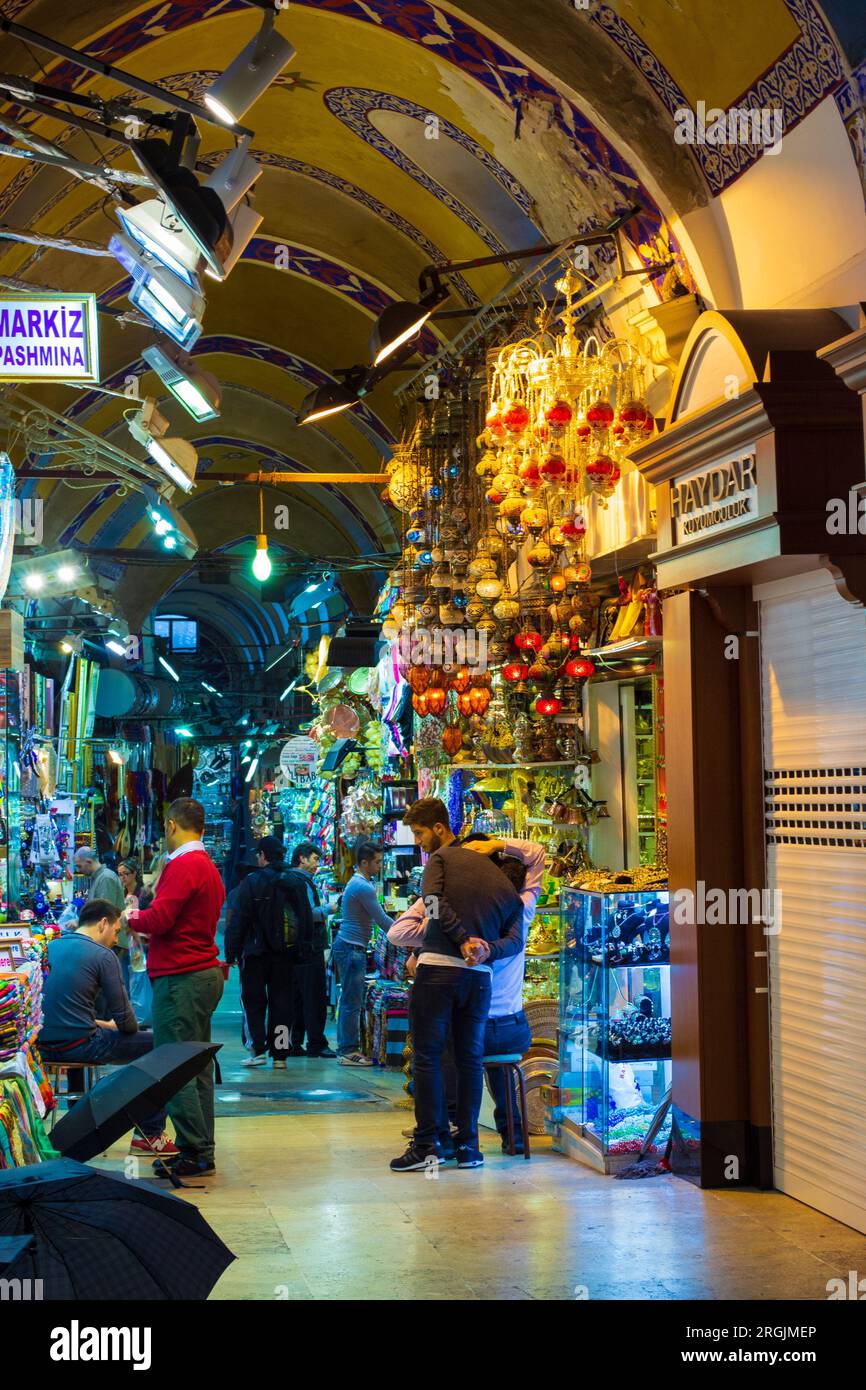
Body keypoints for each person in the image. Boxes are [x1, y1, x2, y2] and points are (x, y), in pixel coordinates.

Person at [388, 833, 545, 1155]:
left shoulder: (454, 897)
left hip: (470, 1015)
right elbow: (538, 853)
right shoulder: (521, 905)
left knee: (435, 1053)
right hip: (513, 1026)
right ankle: (504, 1140)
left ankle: (440, 1134)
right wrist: (497, 846)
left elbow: (397, 932)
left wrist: (439, 923)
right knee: (467, 1058)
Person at [125, 797, 226, 1179]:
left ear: (170, 826)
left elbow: (161, 918)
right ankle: (200, 1148)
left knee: (174, 1067)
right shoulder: (207, 867)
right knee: (194, 1066)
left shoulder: (183, 865)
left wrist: (132, 917)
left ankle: (195, 1151)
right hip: (200, 972)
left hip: (182, 978)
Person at [38, 898, 176, 1156]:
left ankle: (76, 1123)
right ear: (103, 924)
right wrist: (115, 1024)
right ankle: (151, 1133)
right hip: (82, 1046)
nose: (116, 939)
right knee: (162, 1045)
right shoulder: (103, 955)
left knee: (86, 1031)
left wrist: (101, 1023)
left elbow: (61, 1009)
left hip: (43, 1048)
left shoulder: (50, 946)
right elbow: (126, 1022)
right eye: (115, 932)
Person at [224, 836, 314, 1070]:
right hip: (286, 954)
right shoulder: (295, 881)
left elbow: (239, 920)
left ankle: (257, 1050)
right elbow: (306, 918)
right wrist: (303, 949)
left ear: (263, 856)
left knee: (253, 1002)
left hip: (255, 953)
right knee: (282, 1004)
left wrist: (231, 952)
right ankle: (281, 1054)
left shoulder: (252, 881)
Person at [331, 841, 392, 1067]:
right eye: (377, 862)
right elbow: (382, 919)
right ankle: (348, 1050)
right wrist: (409, 935)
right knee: (351, 1002)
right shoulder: (363, 887)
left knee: (350, 1000)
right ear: (364, 862)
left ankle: (347, 1048)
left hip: (350, 946)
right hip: (351, 948)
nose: (380, 866)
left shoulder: (360, 883)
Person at [289, 841, 336, 1058]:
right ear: (302, 858)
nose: (318, 864)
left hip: (293, 948)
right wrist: (329, 909)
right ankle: (316, 1043)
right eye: (315, 859)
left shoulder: (288, 880)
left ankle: (292, 1043)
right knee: (314, 997)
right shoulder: (302, 883)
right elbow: (309, 914)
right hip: (309, 947)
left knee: (295, 997)